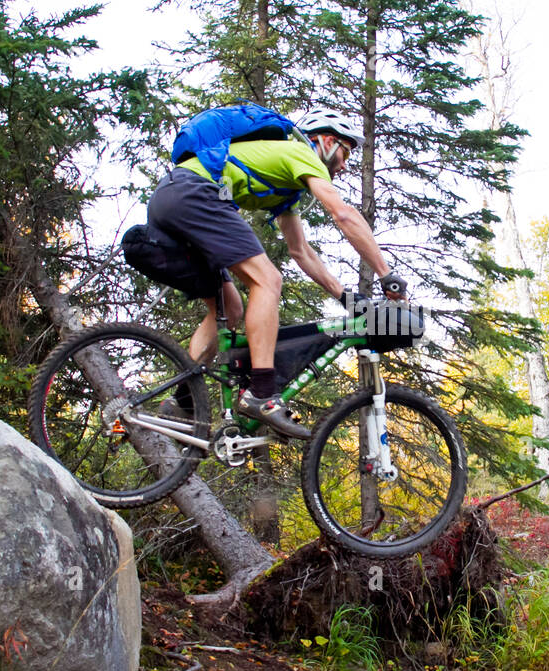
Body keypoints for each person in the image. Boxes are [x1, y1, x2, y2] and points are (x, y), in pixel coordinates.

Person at [144, 107, 407, 439]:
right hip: (194, 193)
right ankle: (262, 393)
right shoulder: (299, 152)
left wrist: (346, 297)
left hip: (170, 198)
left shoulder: (287, 188)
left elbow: (301, 252)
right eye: (344, 151)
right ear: (325, 141)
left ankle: (179, 402)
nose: (343, 165)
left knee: (230, 306)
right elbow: (343, 214)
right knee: (268, 279)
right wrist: (386, 275)